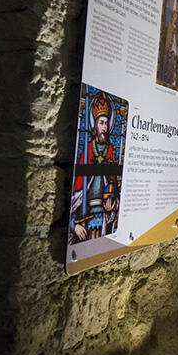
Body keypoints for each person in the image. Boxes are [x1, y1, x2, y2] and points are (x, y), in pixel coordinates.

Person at [71, 91, 119, 243]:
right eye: (101, 123)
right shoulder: (88, 149)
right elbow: (77, 189)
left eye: (106, 123)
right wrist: (73, 225)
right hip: (85, 211)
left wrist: (112, 201)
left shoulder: (111, 151)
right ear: (95, 125)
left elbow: (113, 183)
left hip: (103, 213)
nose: (104, 127)